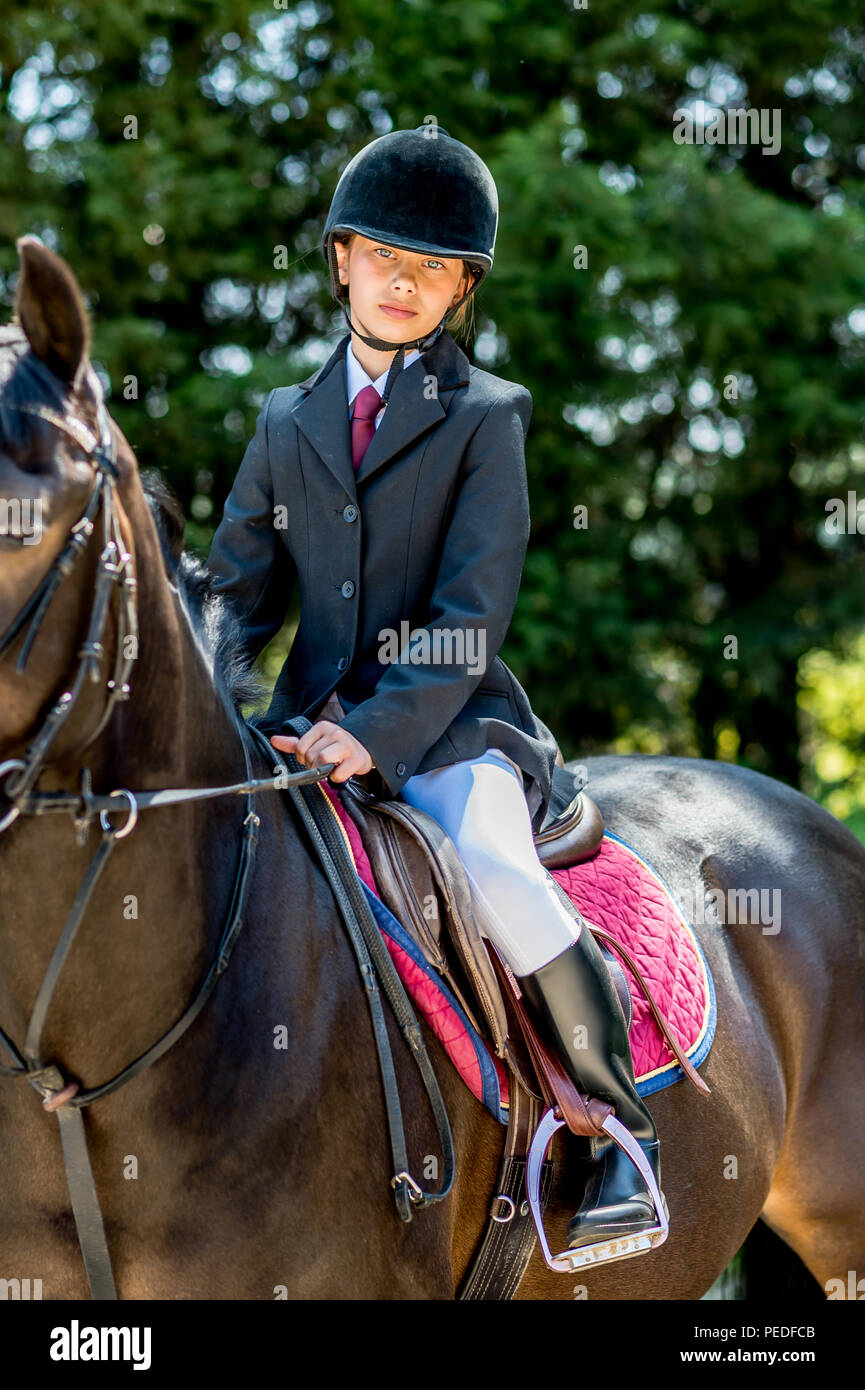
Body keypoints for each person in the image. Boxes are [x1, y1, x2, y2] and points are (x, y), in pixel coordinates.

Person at [205, 125, 663, 1255]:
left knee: (500, 872)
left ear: (461, 288)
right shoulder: (282, 422)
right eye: (384, 258)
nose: (405, 283)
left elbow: (471, 618)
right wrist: (215, 710)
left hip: (452, 728)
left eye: (434, 268)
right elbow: (237, 598)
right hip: (301, 735)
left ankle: (609, 1130)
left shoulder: (486, 417)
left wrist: (374, 732)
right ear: (342, 260)